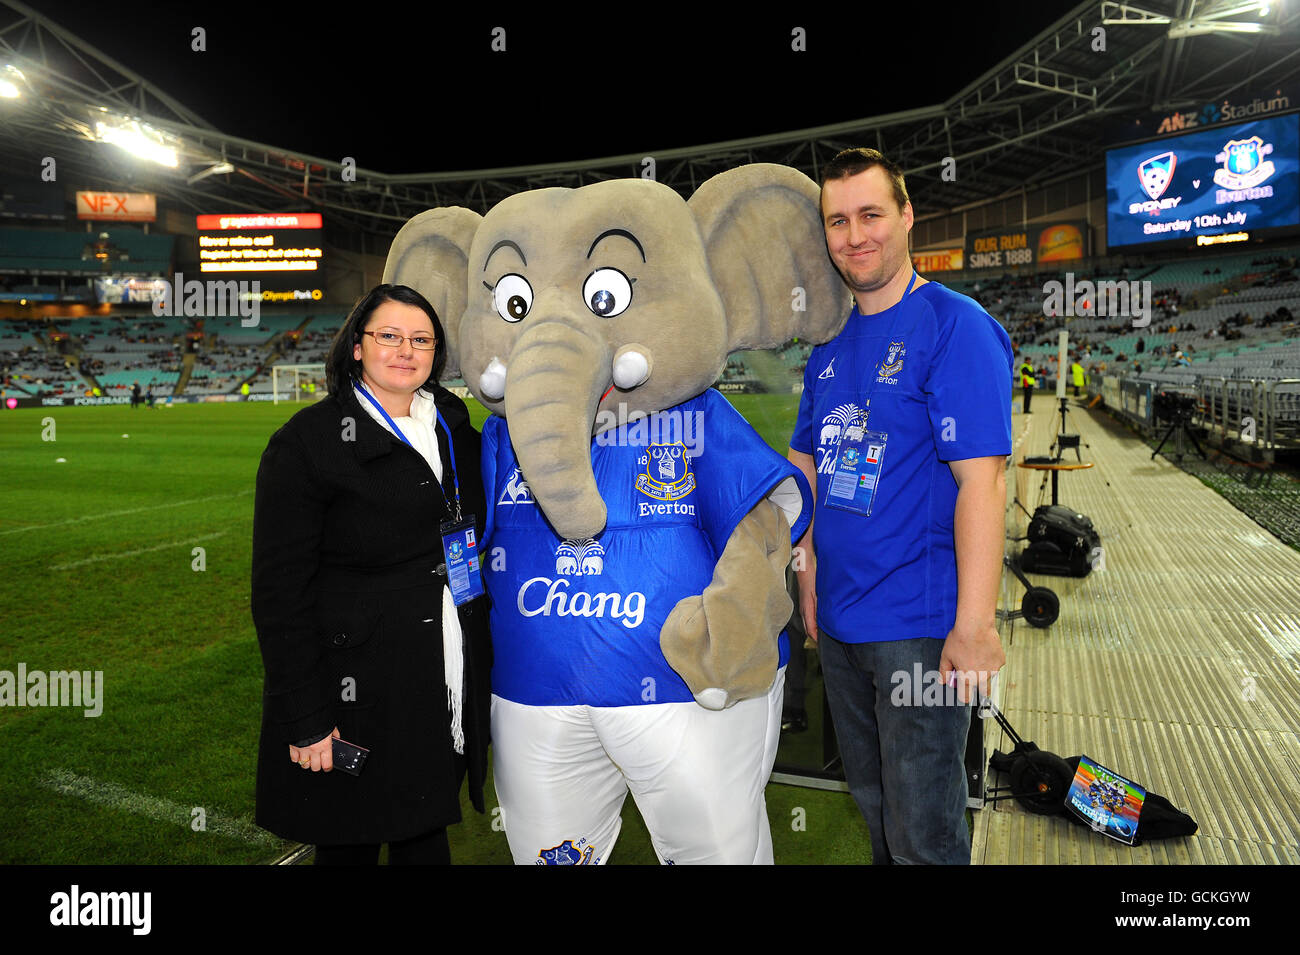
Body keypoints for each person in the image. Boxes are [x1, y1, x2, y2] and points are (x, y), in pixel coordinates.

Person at [788, 147, 1011, 864]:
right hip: (845, 627)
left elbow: (985, 482)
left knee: (924, 829)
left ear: (908, 216)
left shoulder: (955, 325)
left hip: (920, 629)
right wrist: (807, 571)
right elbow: (808, 465)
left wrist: (975, 626)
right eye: (838, 220)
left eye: (871, 214)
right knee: (878, 809)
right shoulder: (828, 345)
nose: (855, 235)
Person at [251, 284, 491, 865]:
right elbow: (280, 594)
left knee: (426, 827)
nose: (405, 350)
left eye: (421, 340)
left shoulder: (452, 424)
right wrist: (306, 718)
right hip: (353, 686)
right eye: (389, 336)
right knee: (349, 843)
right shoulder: (308, 441)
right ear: (357, 346)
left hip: (439, 670)